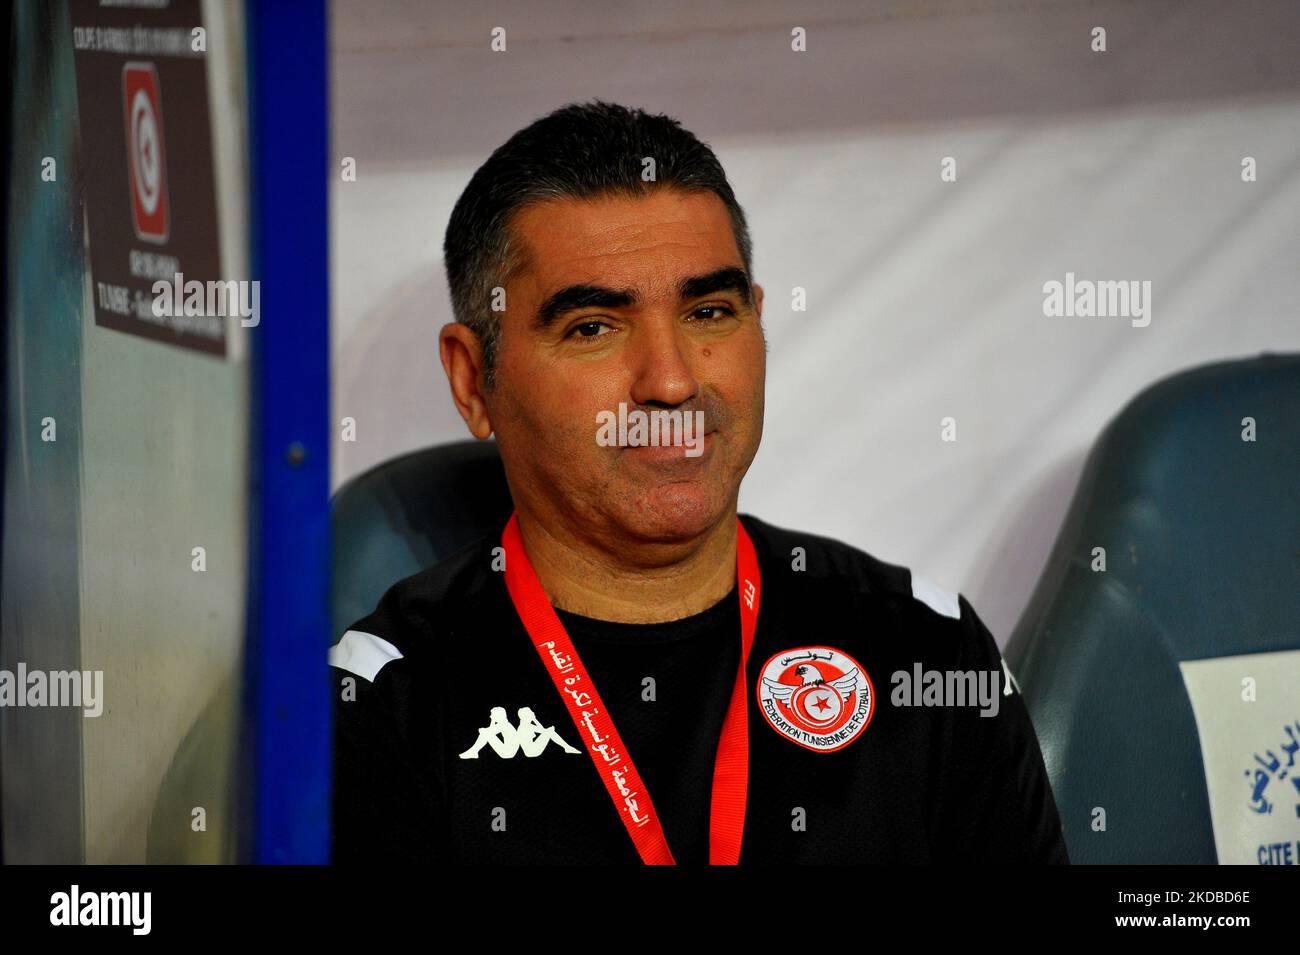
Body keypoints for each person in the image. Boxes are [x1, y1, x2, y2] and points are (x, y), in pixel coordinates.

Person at [329, 99, 1069, 864]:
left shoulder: (927, 652)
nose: (673, 380)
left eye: (709, 311)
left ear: (758, 323)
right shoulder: (385, 706)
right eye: (593, 326)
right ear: (473, 381)